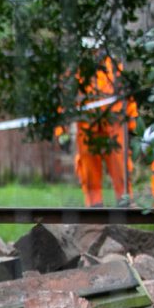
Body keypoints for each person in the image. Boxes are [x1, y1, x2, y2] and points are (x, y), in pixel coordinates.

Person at [55, 37, 139, 207]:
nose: (93, 53)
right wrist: (61, 132)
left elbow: (127, 99)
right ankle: (94, 212)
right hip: (88, 129)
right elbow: (64, 103)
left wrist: (132, 127)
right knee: (89, 172)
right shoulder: (76, 72)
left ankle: (125, 208)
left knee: (120, 170)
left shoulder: (114, 69)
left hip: (115, 128)